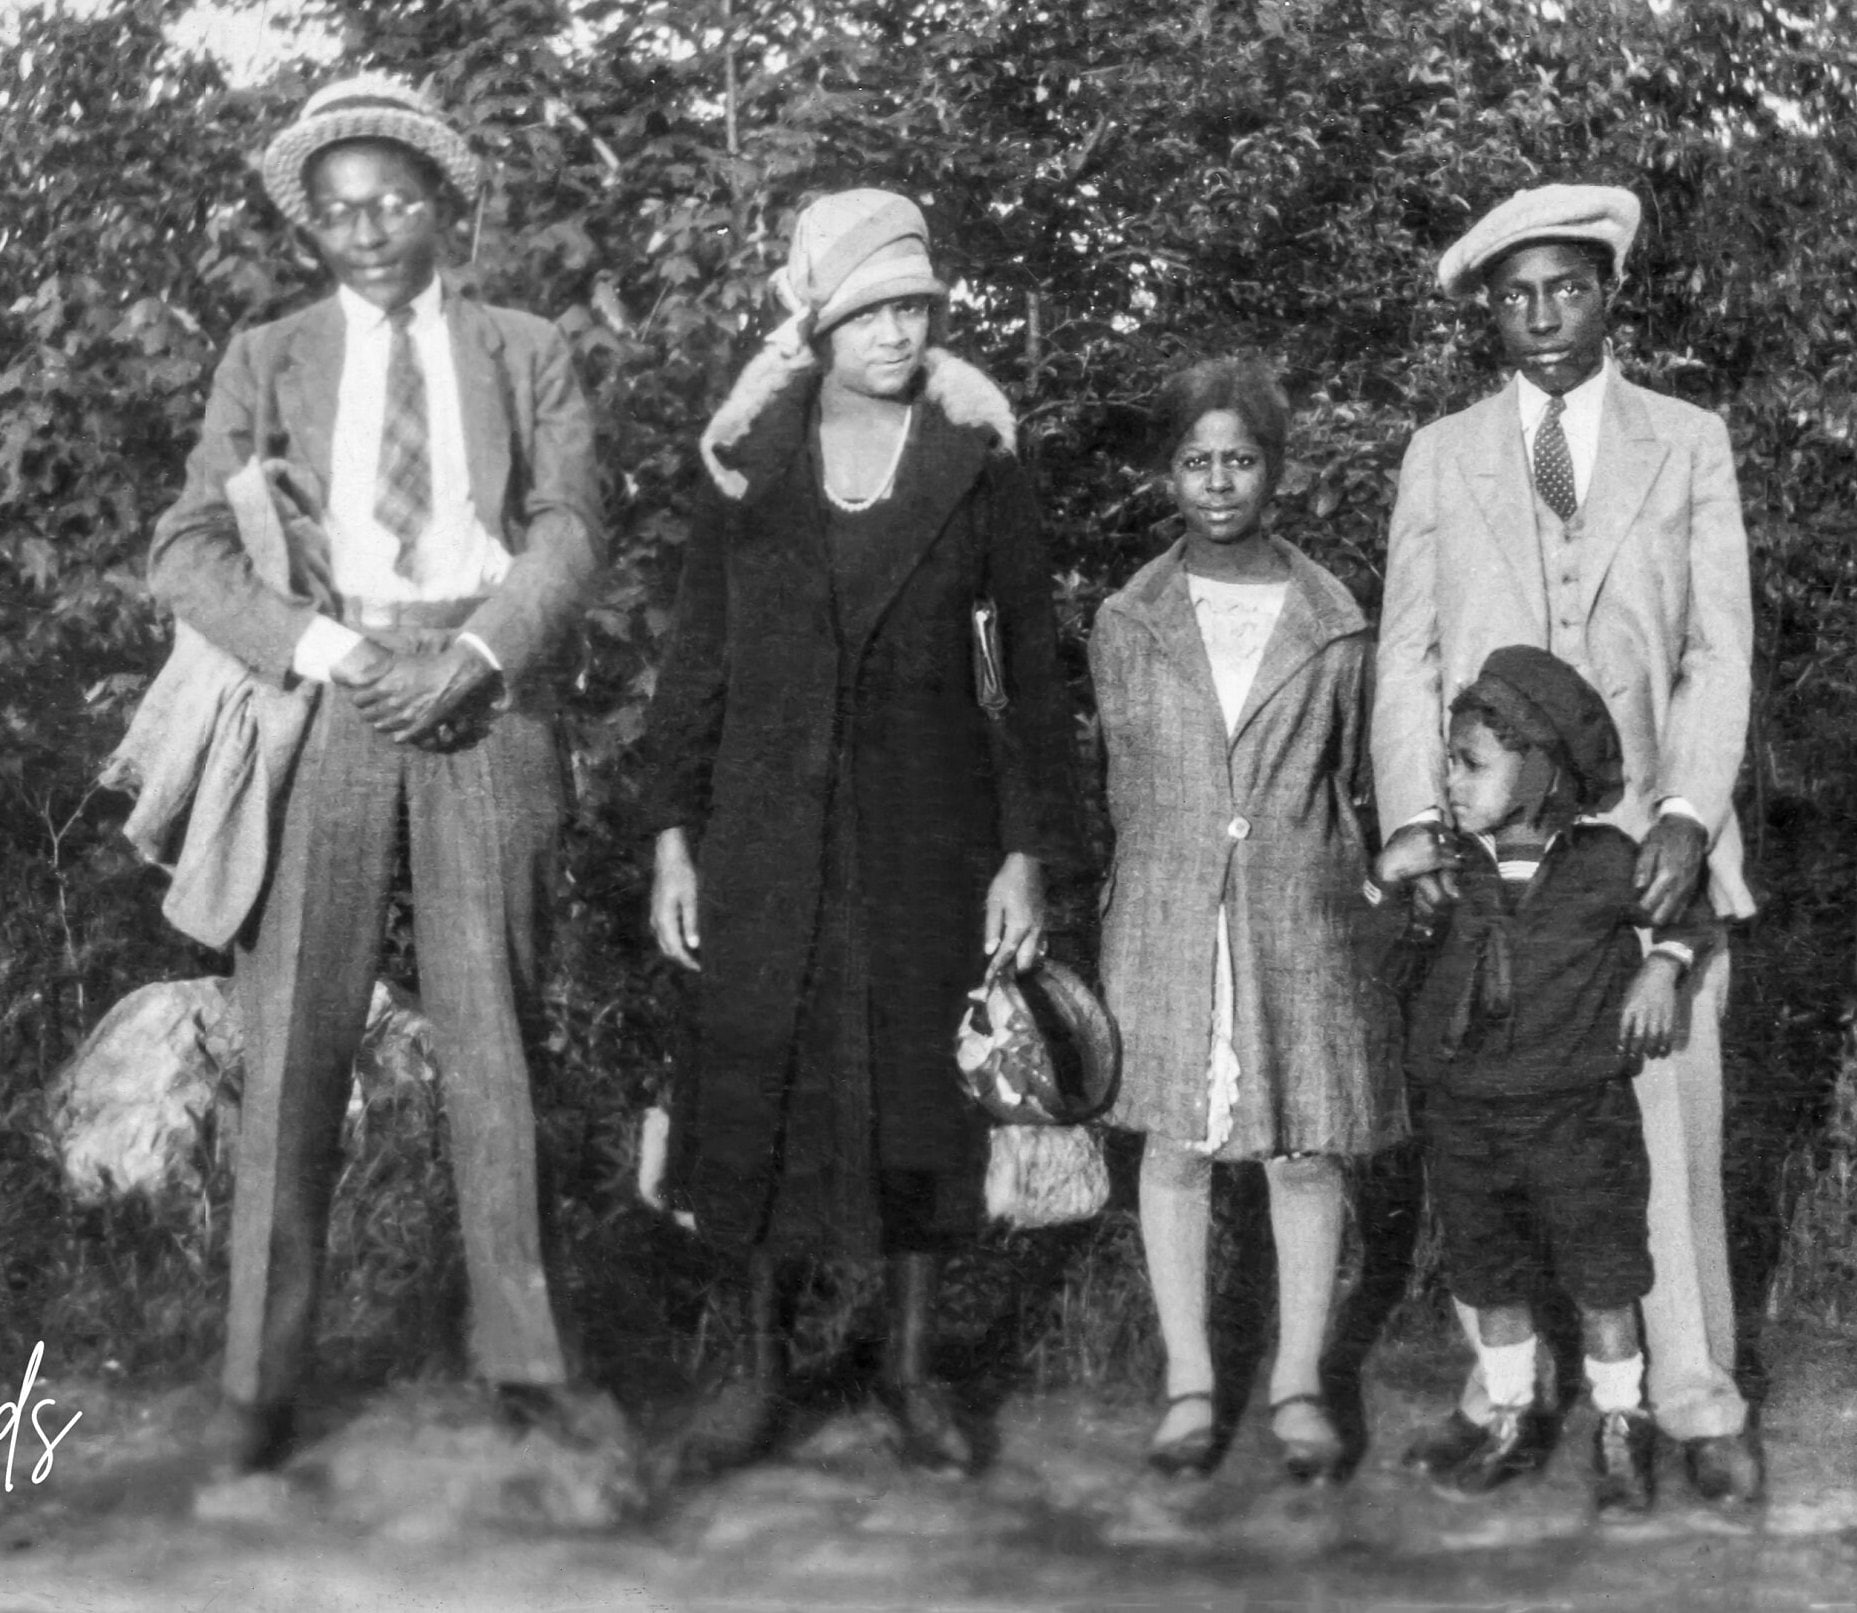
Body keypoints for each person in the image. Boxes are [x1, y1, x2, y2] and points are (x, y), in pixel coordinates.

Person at [147, 76, 614, 1472]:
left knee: (499, 1049)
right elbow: (188, 549)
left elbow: (573, 528)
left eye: (394, 201)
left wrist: (477, 652)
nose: (368, 230)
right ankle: (259, 1381)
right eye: (340, 209)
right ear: (310, 226)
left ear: (441, 203)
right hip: (326, 707)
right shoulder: (267, 356)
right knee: (293, 1045)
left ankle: (528, 1368)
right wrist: (329, 651)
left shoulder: (526, 347)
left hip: (484, 702)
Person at [638, 189, 1075, 1476]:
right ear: (818, 320)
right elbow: (697, 658)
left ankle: (910, 1366)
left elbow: (1027, 674)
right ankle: (760, 1373)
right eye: (871, 309)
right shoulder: (749, 458)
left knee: (923, 1094)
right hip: (764, 829)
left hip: (925, 828)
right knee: (757, 1079)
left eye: (916, 308)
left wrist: (1024, 847)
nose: (897, 332)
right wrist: (673, 831)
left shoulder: (977, 459)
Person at [1373, 184, 1760, 1501]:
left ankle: (1699, 1405)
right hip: (1495, 864)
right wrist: (1415, 820)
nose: (1542, 316)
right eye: (1515, 293)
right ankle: (1507, 1398)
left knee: (1663, 1129)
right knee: (1495, 1135)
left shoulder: (1687, 442)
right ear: (1487, 307)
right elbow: (1406, 653)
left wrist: (1690, 812)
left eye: (1569, 288)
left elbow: (1718, 650)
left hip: (1647, 847)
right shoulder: (1442, 453)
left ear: (1610, 294)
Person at [1089, 357, 1402, 1481]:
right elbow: (1118, 774)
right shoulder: (1130, 616)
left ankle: (1302, 1381)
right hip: (1169, 910)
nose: (1219, 481)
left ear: (1275, 469)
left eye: (1241, 459)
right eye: (1196, 460)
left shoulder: (1333, 616)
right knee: (1175, 1144)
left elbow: (1362, 771)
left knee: (1303, 1150)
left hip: (1298, 912)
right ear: (1169, 472)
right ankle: (1187, 1380)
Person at [1377, 646, 1713, 1512]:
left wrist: (1662, 965)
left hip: (1577, 1113)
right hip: (1465, 1113)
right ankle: (1512, 1415)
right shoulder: (1445, 865)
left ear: (1538, 770)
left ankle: (1618, 1423)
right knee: (1488, 1272)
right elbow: (1367, 953)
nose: (1448, 781)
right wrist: (1383, 879)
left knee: (1603, 1274)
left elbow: (1693, 908)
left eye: (1469, 764)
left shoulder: (1606, 860)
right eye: (1450, 761)